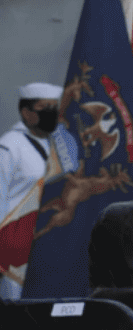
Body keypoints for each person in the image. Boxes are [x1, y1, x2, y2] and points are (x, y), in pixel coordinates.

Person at [0, 82, 62, 300]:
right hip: (16, 248)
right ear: (26, 112)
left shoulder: (63, 146)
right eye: (45, 108)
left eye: (55, 108)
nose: (51, 113)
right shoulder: (9, 147)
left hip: (52, 243)